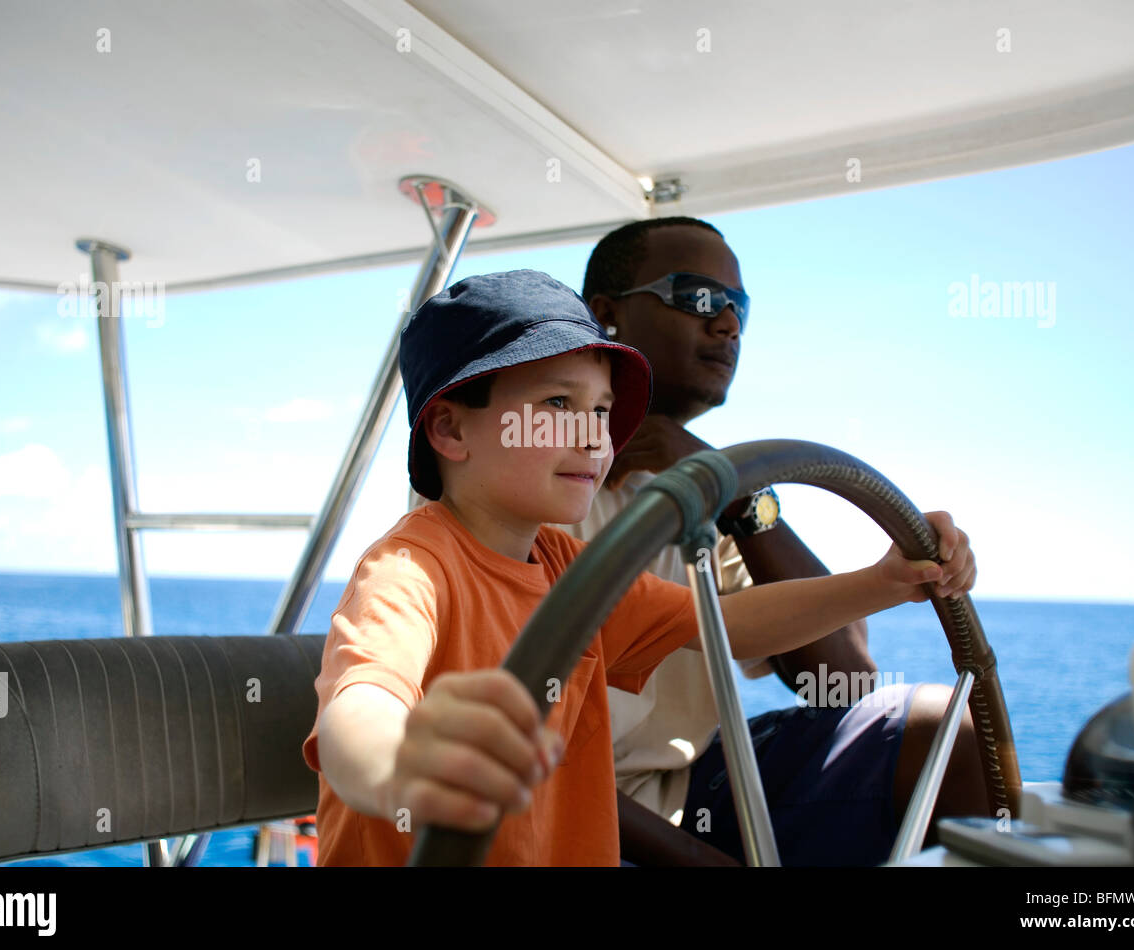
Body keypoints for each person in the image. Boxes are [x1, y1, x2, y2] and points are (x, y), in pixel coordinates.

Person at [303, 268, 976, 865]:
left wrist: (884, 582)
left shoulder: (569, 566)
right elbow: (358, 711)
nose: (595, 435)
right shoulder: (410, 569)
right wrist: (404, 765)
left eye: (600, 409)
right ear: (450, 431)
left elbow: (726, 627)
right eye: (558, 406)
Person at [562, 216, 988, 866]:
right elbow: (509, 748)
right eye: (701, 299)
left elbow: (840, 682)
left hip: (691, 789)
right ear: (606, 314)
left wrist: (732, 490)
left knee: (946, 734)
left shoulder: (711, 498)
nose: (728, 325)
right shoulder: (522, 472)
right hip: (546, 809)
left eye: (739, 308)